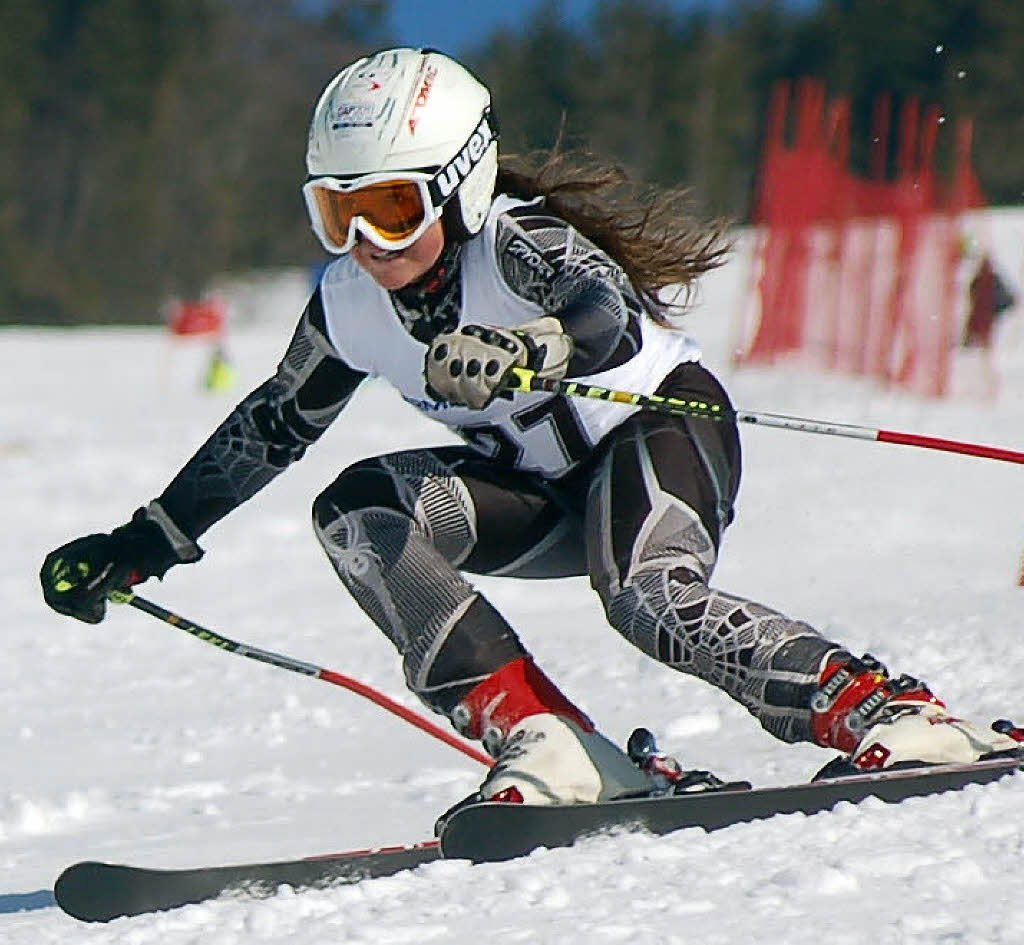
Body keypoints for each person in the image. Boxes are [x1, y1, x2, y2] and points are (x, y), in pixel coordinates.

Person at [41, 48, 1020, 807]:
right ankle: (549, 742)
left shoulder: (519, 244)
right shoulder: (348, 303)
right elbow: (269, 427)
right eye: (337, 213)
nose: (365, 244)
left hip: (660, 434)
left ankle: (887, 711)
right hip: (544, 496)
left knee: (639, 596)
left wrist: (532, 352)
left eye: (388, 207)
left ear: (458, 183)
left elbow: (604, 315)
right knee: (357, 511)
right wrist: (147, 540)